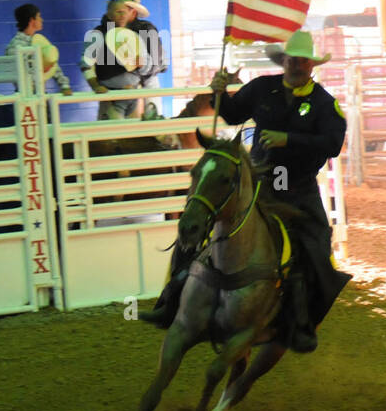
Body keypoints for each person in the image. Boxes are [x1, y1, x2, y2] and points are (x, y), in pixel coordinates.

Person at [141, 30, 351, 353]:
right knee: (195, 224)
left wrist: (288, 139)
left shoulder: (324, 104)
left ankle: (302, 323)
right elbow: (233, 113)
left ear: (311, 65)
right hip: (256, 185)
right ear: (284, 62)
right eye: (292, 60)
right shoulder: (261, 88)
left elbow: (333, 144)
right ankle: (170, 300)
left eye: (302, 61)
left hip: (297, 189)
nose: (296, 66)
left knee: (317, 251)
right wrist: (220, 93)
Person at [81, 0, 158, 120]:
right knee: (111, 136)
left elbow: (147, 64)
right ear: (109, 15)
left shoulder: (133, 35)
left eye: (125, 12)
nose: (123, 16)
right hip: (110, 96)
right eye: (118, 12)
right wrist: (95, 85)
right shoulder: (97, 34)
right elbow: (86, 64)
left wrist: (143, 64)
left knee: (134, 137)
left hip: (134, 95)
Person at [4, 4, 73, 95]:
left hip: (31, 95)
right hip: (30, 97)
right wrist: (64, 85)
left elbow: (51, 63)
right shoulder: (20, 45)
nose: (41, 19)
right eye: (39, 16)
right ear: (32, 20)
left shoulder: (16, 45)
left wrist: (64, 84)